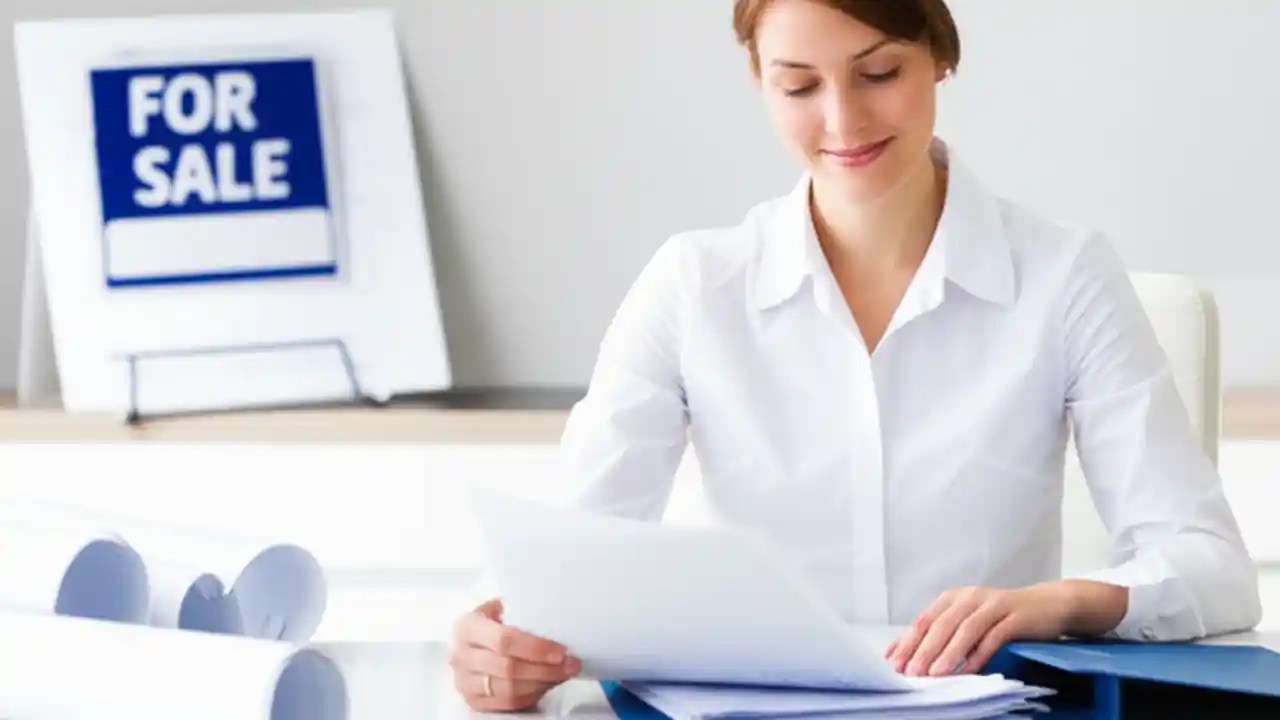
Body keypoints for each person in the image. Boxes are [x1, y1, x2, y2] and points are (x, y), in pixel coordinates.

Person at [448, 0, 1262, 712]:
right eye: (798, 85)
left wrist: (1053, 603)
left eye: (878, 73)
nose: (841, 120)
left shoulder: (1064, 276)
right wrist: (501, 640)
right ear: (759, 81)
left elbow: (1211, 569)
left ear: (940, 55)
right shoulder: (693, 285)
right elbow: (573, 553)